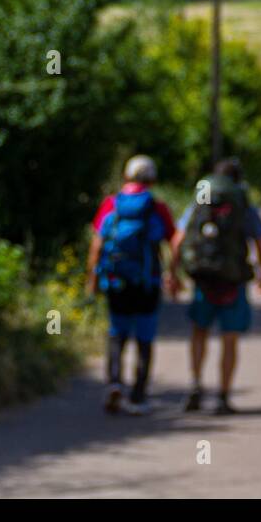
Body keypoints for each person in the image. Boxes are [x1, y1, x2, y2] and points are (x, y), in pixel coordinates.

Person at [171, 158, 261, 415]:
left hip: (204, 278)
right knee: (229, 338)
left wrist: (174, 273)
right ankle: (223, 397)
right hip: (232, 280)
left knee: (199, 331)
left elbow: (178, 239)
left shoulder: (201, 199)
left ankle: (195, 385)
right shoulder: (243, 203)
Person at [88, 155, 177, 415]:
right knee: (145, 337)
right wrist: (173, 274)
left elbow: (96, 244)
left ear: (126, 176)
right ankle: (139, 395)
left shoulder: (111, 205)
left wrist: (92, 280)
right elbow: (173, 241)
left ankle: (114, 383)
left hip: (117, 281)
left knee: (117, 332)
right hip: (147, 283)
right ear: (152, 179)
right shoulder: (157, 208)